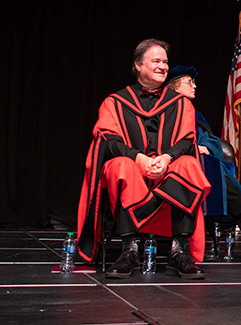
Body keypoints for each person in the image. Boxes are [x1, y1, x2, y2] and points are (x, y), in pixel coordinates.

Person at [76, 39, 210, 280]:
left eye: (165, 62)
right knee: (121, 165)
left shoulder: (181, 104)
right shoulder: (115, 102)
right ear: (138, 65)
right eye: (156, 61)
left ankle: (179, 250)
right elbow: (108, 139)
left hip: (167, 167)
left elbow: (186, 140)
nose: (162, 66)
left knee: (189, 164)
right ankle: (130, 250)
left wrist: (167, 158)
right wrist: (137, 158)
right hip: (132, 167)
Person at [164, 65, 241, 227]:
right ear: (174, 87)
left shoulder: (195, 114)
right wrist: (192, 148)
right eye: (189, 82)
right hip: (176, 160)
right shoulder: (165, 111)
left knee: (209, 162)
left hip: (198, 157)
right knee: (205, 164)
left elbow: (208, 138)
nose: (194, 86)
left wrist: (206, 147)